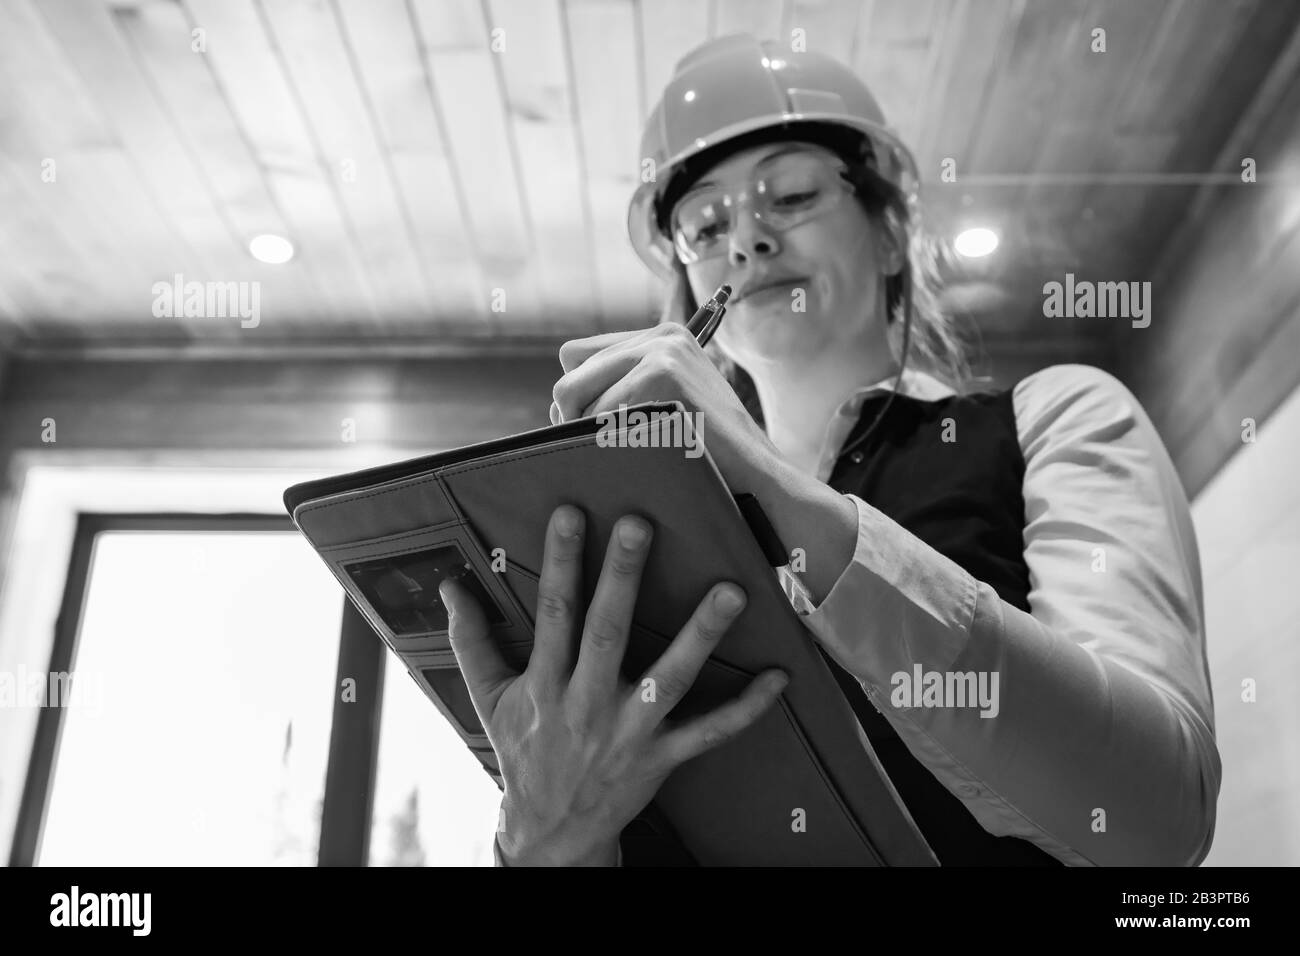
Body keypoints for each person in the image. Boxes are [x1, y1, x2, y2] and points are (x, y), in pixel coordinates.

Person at [438, 34, 1221, 867]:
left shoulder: (1056, 416)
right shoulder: (648, 525)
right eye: (705, 224)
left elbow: (1156, 818)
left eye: (793, 194)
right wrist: (543, 840)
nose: (747, 241)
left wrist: (781, 492)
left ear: (891, 237)